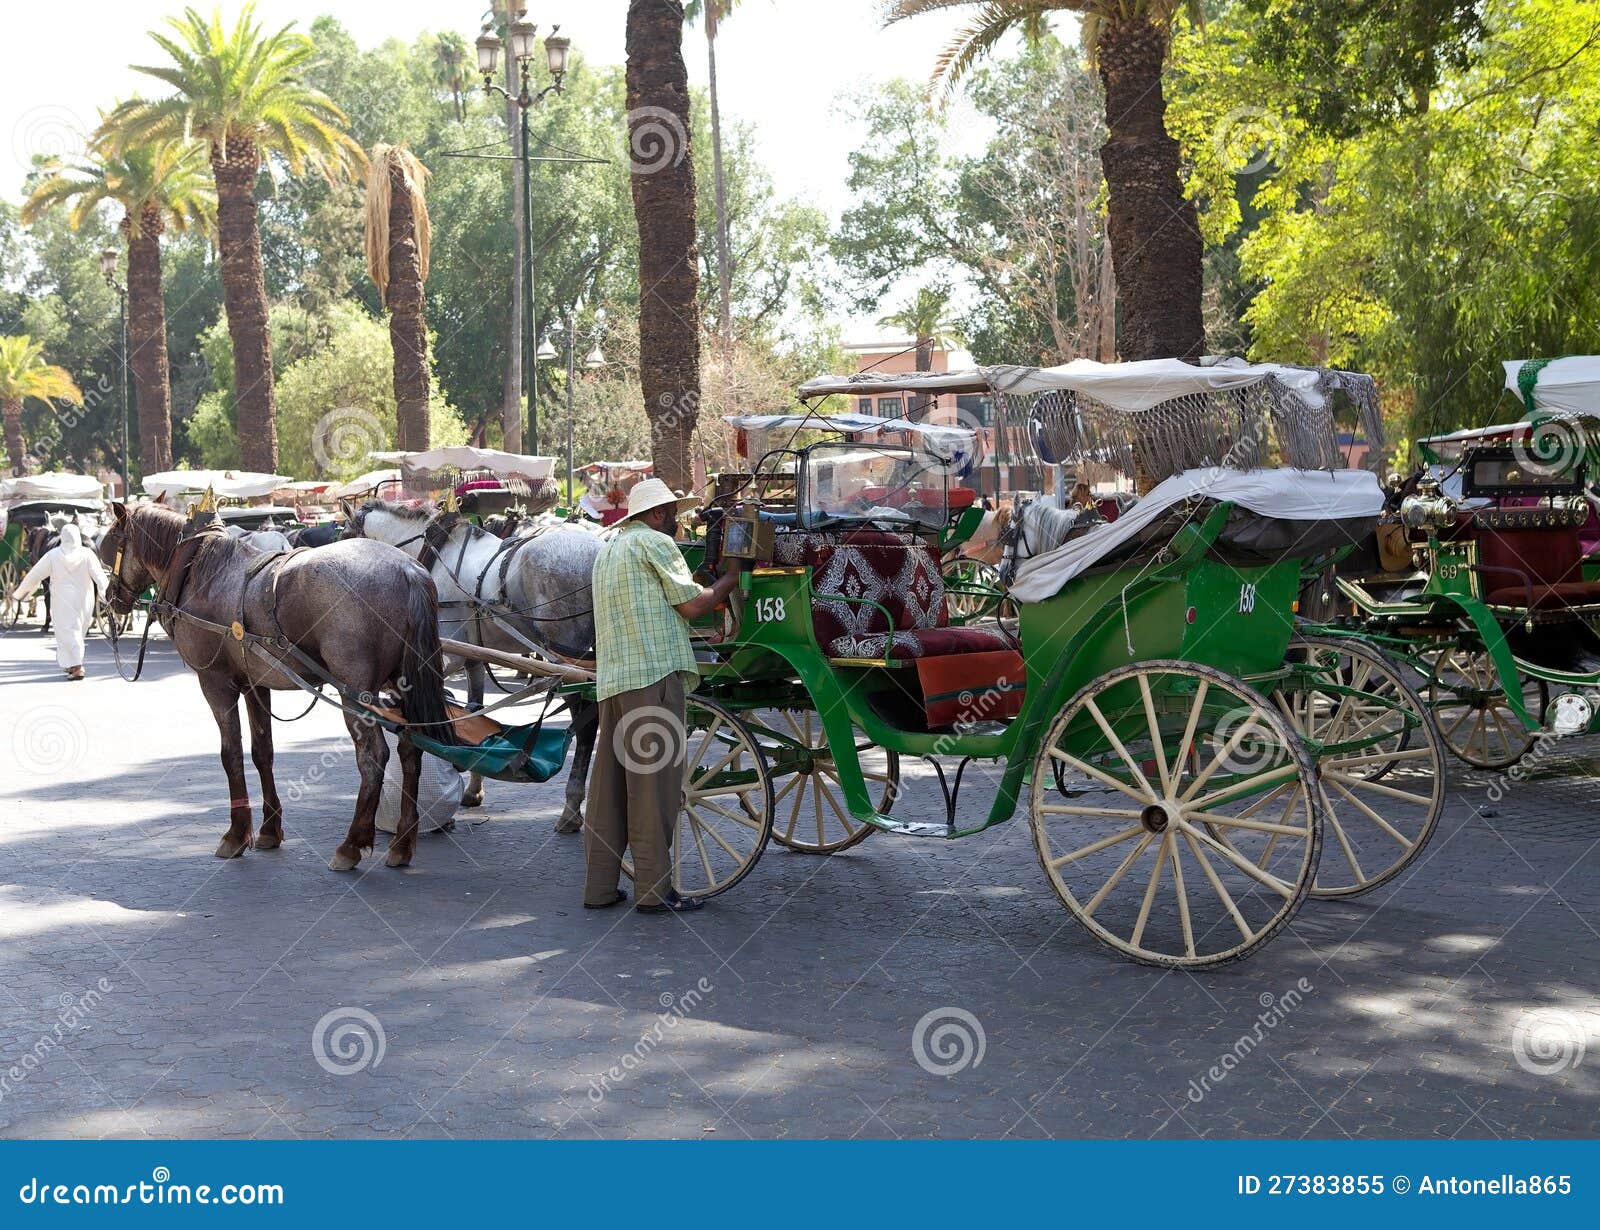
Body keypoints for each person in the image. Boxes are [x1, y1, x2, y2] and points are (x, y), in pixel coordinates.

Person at [584, 479, 741, 915]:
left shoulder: (609, 552)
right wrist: (730, 577)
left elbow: (665, 597)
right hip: (652, 676)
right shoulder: (654, 543)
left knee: (609, 790)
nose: (676, 521)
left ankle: (599, 887)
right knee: (654, 788)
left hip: (614, 680)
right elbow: (693, 607)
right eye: (671, 513)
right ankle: (654, 891)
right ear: (655, 515)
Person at [13, 523, 108, 680]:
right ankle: (72, 665)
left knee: (67, 632)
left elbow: (34, 575)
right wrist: (105, 594)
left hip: (62, 601)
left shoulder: (53, 555)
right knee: (77, 632)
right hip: (85, 599)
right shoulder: (87, 554)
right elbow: (100, 577)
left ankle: (78, 667)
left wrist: (21, 593)